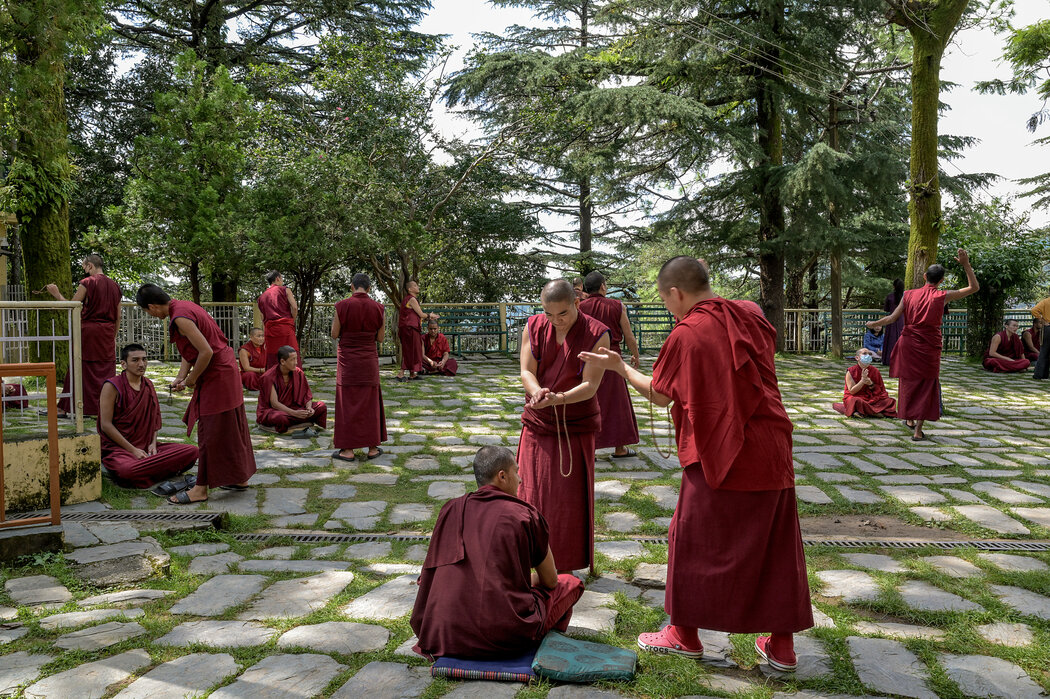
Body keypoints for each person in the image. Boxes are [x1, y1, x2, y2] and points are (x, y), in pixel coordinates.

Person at [580, 256, 811, 672]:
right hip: (771, 448)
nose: (669, 308)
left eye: (665, 300)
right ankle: (782, 647)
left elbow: (661, 394)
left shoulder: (687, 334)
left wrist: (619, 366)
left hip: (717, 449)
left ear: (675, 294)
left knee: (690, 539)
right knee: (774, 547)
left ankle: (683, 635)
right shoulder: (750, 315)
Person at [410, 446, 585, 660]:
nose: (520, 480)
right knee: (570, 582)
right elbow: (550, 580)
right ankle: (543, 642)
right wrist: (524, 580)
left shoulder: (450, 509)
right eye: (517, 472)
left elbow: (432, 576)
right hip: (506, 638)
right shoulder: (525, 515)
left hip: (444, 634)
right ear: (502, 476)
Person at [518, 279, 610, 573]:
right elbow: (526, 371)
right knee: (532, 492)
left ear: (577, 303)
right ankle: (530, 559)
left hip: (574, 425)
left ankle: (566, 563)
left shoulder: (597, 333)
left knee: (567, 501)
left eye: (563, 314)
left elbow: (591, 385)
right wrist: (536, 392)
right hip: (539, 420)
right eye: (549, 314)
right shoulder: (533, 326)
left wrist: (557, 399)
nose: (556, 321)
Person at [136, 284, 256, 504]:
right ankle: (239, 478)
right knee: (229, 426)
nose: (151, 315)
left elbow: (206, 351)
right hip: (223, 370)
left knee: (209, 430)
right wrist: (181, 377)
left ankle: (200, 489)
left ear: (152, 307)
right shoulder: (183, 306)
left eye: (147, 311)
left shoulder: (179, 317)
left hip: (217, 373)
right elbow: (188, 351)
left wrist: (191, 380)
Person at [867, 251, 978, 440]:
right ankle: (917, 430)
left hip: (909, 343)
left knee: (909, 381)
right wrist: (966, 264)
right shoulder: (942, 296)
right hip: (929, 345)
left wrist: (874, 324)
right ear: (941, 281)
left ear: (925, 276)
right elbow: (973, 287)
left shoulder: (909, 295)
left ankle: (908, 418)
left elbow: (892, 318)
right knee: (927, 384)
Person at [97, 344, 199, 488]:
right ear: (123, 364)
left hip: (146, 447)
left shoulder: (148, 384)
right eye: (135, 360)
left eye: (144, 359)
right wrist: (133, 450)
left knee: (192, 451)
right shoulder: (112, 386)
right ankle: (155, 468)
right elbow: (106, 425)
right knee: (127, 471)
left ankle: (147, 468)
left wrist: (152, 443)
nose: (141, 364)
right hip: (119, 449)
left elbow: (154, 418)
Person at [44, 254, 121, 417]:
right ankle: (104, 408)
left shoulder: (87, 283)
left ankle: (69, 407)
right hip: (107, 331)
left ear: (90, 266)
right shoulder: (115, 286)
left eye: (84, 267)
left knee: (79, 366)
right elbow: (118, 316)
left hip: (88, 330)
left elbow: (73, 306)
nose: (84, 271)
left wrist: (57, 295)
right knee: (105, 368)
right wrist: (113, 335)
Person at [578, 271, 641, 458]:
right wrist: (635, 355)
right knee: (616, 403)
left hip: (588, 357)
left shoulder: (580, 307)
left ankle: (590, 448)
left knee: (587, 399)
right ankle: (619, 449)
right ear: (603, 287)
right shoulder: (616, 305)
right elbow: (628, 335)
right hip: (612, 358)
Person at [331, 273, 387, 462]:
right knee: (370, 405)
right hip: (368, 360)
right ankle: (372, 448)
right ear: (369, 288)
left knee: (347, 404)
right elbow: (380, 338)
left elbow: (334, 333)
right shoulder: (379, 308)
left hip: (348, 362)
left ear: (352, 287)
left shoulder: (341, 306)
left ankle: (347, 450)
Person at [256, 345, 327, 435]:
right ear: (282, 361)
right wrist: (294, 413)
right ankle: (300, 422)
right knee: (280, 418)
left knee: (321, 406)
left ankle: (297, 421)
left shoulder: (298, 373)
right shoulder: (269, 377)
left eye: (296, 359)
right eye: (292, 360)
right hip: (277, 410)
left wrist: (309, 408)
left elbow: (306, 395)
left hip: (296, 407)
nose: (296, 362)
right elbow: (274, 403)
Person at [832, 348, 897, 418]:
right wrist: (862, 381)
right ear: (857, 358)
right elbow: (852, 391)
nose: (868, 356)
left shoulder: (875, 371)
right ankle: (874, 413)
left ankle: (860, 412)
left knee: (890, 401)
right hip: (857, 397)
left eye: (869, 354)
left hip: (871, 398)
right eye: (864, 353)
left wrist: (870, 384)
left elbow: (881, 391)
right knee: (855, 401)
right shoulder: (851, 371)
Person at [257, 271, 300, 369]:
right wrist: (291, 321)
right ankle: (293, 382)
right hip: (285, 328)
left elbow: (262, 318)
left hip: (270, 331)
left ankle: (274, 383)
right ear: (277, 278)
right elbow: (294, 307)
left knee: (273, 358)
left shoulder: (261, 297)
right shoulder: (285, 290)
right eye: (282, 278)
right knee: (291, 355)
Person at [396, 280, 435, 381]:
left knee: (414, 349)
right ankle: (401, 374)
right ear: (410, 289)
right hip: (409, 328)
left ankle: (412, 374)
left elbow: (419, 316)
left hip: (411, 328)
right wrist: (430, 315)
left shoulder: (411, 299)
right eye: (415, 285)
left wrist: (428, 317)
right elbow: (421, 314)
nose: (418, 287)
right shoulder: (411, 299)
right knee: (409, 350)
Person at [881, 278, 905, 367]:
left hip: (891, 320)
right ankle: (901, 360)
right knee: (902, 340)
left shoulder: (890, 297)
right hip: (902, 320)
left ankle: (888, 359)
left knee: (890, 340)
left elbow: (886, 309)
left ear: (894, 286)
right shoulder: (905, 297)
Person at [1030, 293, 1050, 380]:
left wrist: (1042, 320)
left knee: (1044, 352)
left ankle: (1040, 375)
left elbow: (1034, 310)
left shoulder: (1046, 301)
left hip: (1047, 327)